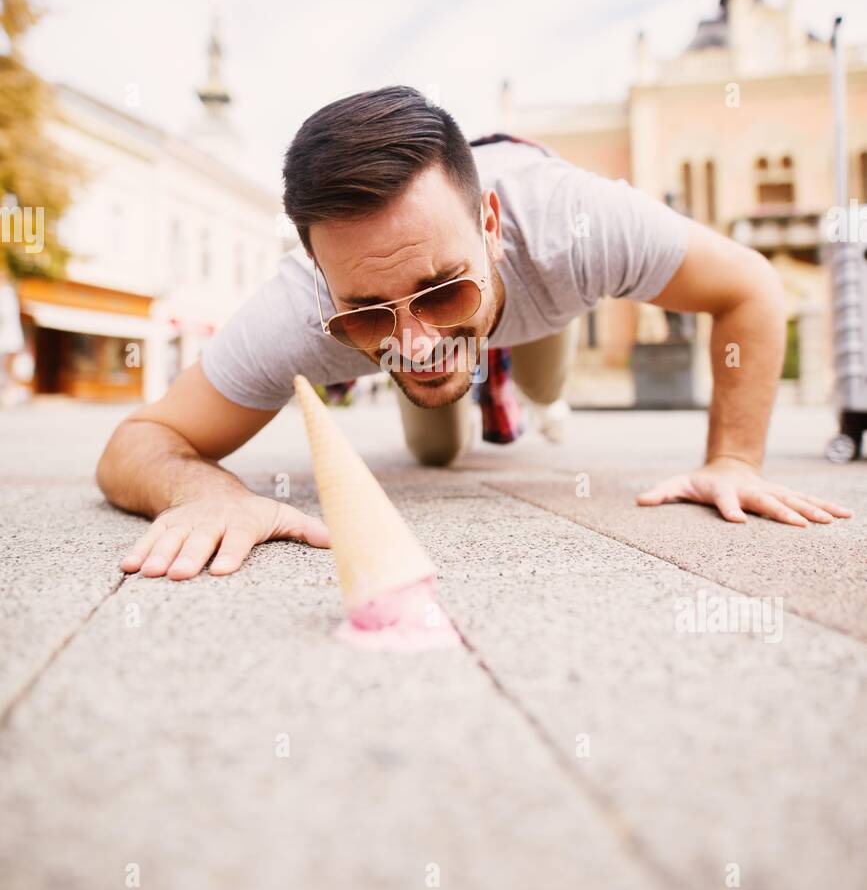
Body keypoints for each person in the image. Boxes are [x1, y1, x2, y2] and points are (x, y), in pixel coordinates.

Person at [96, 85, 851, 581]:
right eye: (366, 310)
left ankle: (526, 392)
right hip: (488, 299)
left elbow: (748, 286)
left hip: (542, 305)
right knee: (434, 449)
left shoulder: (573, 224)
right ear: (323, 279)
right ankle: (470, 370)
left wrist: (733, 460)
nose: (415, 342)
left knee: (543, 379)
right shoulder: (301, 304)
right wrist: (208, 493)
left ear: (490, 227)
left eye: (439, 289)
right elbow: (140, 441)